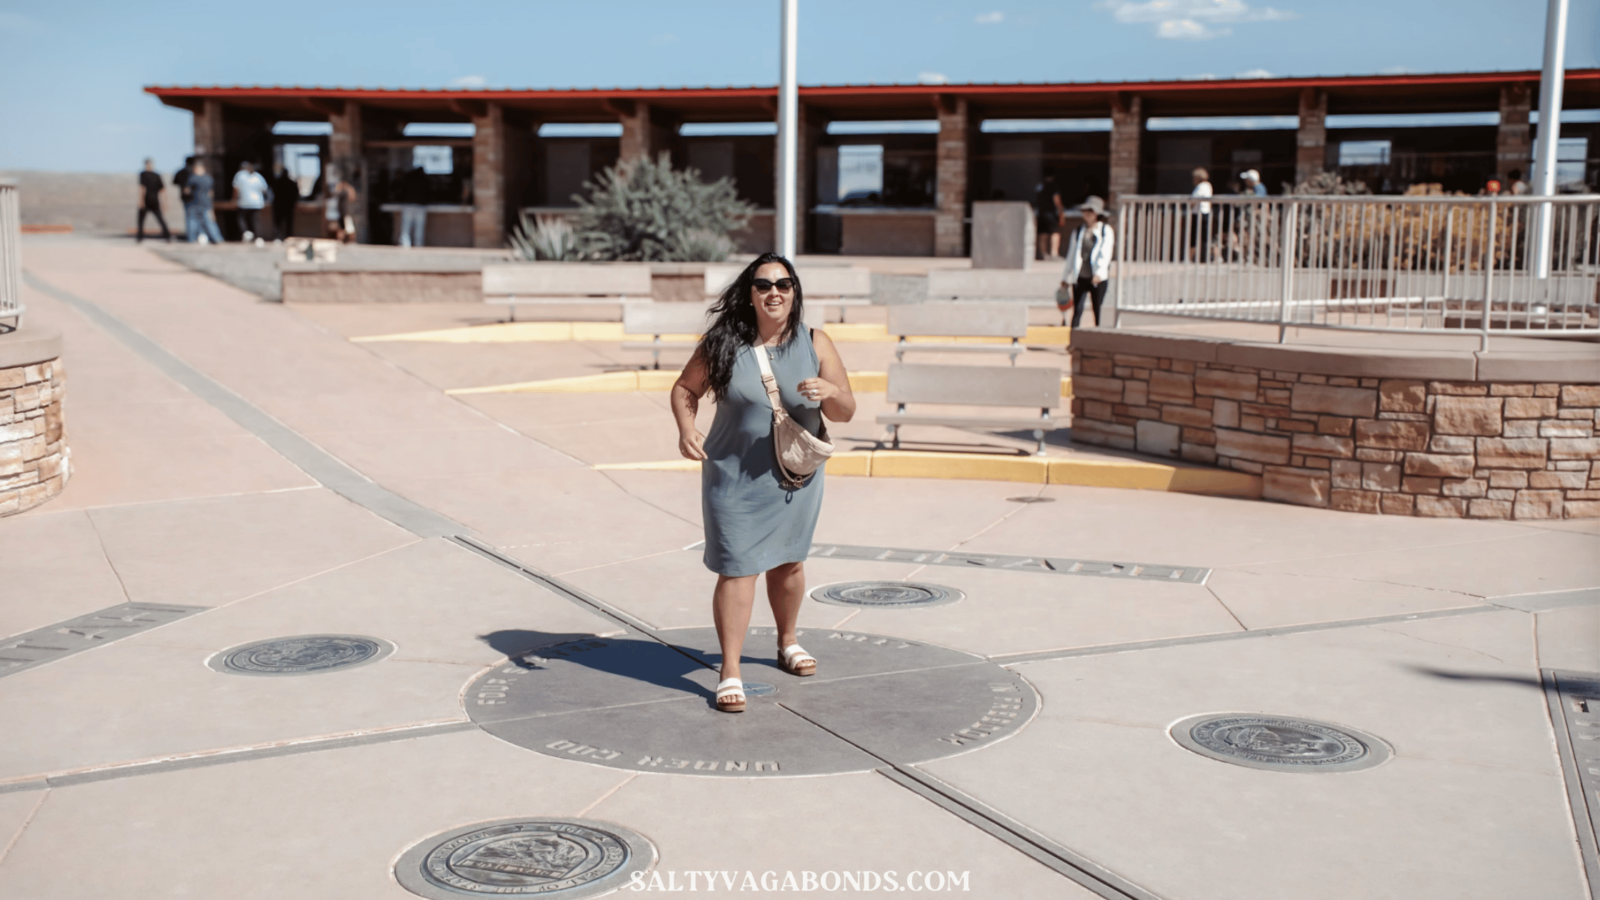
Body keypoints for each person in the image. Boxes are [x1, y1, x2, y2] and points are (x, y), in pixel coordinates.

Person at [669, 253, 856, 714]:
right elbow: (684, 388)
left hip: (795, 475)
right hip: (731, 476)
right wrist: (686, 428)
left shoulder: (816, 342)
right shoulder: (723, 343)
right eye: (763, 285)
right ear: (749, 294)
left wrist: (831, 393)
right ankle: (729, 669)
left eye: (784, 284)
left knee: (789, 563)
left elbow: (846, 410)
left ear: (795, 293)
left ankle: (787, 641)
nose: (775, 292)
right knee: (737, 568)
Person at [1059, 196, 1114, 328]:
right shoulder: (1078, 231)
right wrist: (1066, 277)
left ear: (1098, 213)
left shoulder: (1105, 230)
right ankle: (1074, 339)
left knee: (1098, 309)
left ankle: (1099, 339)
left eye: (1091, 210)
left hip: (1097, 279)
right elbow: (1071, 255)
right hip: (1080, 277)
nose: (1088, 213)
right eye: (1085, 210)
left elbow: (1105, 253)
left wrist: (1099, 273)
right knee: (1077, 309)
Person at [186, 160, 224, 245]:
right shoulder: (209, 178)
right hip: (206, 203)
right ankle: (218, 239)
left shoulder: (193, 178)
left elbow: (187, 191)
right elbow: (211, 193)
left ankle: (192, 240)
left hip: (194, 204)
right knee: (210, 223)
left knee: (193, 223)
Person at [232, 161, 270, 245]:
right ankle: (258, 238)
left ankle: (246, 232)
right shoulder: (258, 176)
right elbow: (265, 190)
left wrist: (234, 200)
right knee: (256, 220)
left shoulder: (240, 175)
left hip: (244, 202)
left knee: (241, 218)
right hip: (257, 202)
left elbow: (236, 189)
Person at [136, 158, 172, 243]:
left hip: (147, 199)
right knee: (160, 219)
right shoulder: (157, 175)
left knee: (141, 220)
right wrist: (165, 203)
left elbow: (142, 188)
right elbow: (163, 190)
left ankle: (140, 237)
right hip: (155, 200)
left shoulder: (143, 174)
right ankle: (167, 236)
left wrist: (141, 201)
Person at [396, 166, 429, 247]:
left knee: (406, 227)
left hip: (408, 205)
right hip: (420, 206)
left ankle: (405, 244)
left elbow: (401, 191)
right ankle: (418, 244)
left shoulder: (408, 178)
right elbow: (429, 192)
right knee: (419, 227)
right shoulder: (424, 179)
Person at [1035, 172, 1064, 259]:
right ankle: (1054, 254)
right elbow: (1056, 200)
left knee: (1043, 233)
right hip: (1051, 213)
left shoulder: (1039, 186)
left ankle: (1043, 254)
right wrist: (1061, 211)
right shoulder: (1053, 186)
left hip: (1041, 213)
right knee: (1054, 233)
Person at [269, 161, 300, 241]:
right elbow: (296, 194)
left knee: (278, 223)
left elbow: (273, 191)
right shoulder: (291, 183)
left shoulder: (277, 182)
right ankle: (289, 238)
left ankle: (278, 238)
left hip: (279, 205)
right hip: (288, 206)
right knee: (288, 223)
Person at [1191, 167, 1213, 262]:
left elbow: (1194, 199)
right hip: (1205, 212)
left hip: (1200, 213)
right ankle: (1210, 257)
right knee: (1206, 236)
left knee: (1196, 236)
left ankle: (1191, 257)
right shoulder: (1208, 185)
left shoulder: (1201, 186)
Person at [173, 157, 196, 241]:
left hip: (185, 197)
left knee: (189, 217)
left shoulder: (180, 171)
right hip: (195, 197)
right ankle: (193, 237)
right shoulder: (193, 171)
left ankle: (191, 236)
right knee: (194, 217)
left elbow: (174, 182)